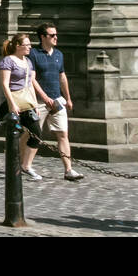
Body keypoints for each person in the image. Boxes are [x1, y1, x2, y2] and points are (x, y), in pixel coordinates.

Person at [29, 23, 84, 181]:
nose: (56, 38)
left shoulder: (59, 54)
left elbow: (62, 77)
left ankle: (68, 170)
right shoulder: (33, 54)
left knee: (62, 134)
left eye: (56, 35)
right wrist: (44, 97)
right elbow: (32, 79)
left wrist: (68, 97)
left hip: (57, 100)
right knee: (32, 135)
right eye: (52, 35)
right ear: (43, 37)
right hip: (39, 101)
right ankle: (23, 165)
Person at [0, 34, 45, 178]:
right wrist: (12, 104)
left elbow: (30, 84)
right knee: (13, 136)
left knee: (36, 133)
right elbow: (5, 84)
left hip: (27, 103)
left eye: (30, 44)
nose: (30, 47)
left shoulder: (28, 62)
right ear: (18, 46)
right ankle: (12, 166)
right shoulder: (8, 61)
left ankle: (26, 165)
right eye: (27, 44)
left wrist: (35, 103)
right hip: (14, 102)